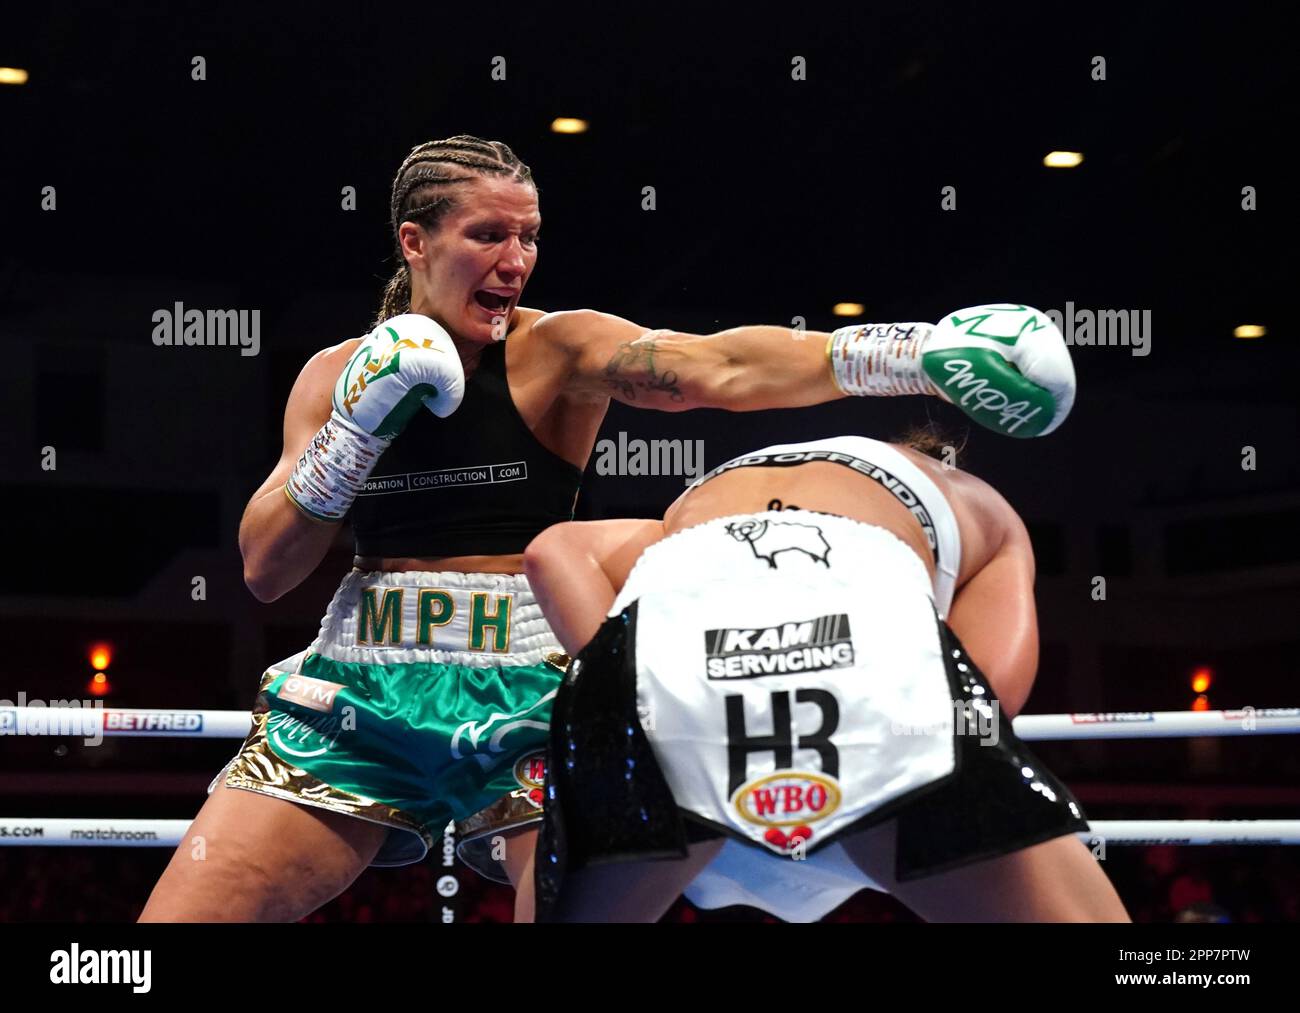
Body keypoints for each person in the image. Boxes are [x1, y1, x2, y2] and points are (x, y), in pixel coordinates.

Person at [140, 132, 1075, 923]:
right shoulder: (333, 372)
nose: (515, 260)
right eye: (488, 235)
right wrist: (358, 423)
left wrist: (907, 353)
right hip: (362, 691)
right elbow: (266, 567)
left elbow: (717, 368)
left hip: (539, 696)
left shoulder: (556, 349)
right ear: (414, 241)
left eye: (530, 237)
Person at [524, 431, 1128, 922]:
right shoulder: (984, 510)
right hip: (860, 654)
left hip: (669, 640)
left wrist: (656, 694)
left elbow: (550, 552)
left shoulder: (702, 506)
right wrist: (873, 820)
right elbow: (987, 700)